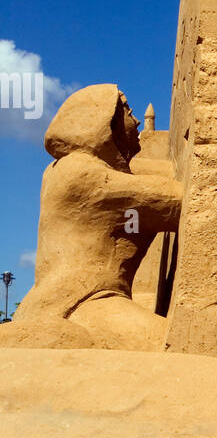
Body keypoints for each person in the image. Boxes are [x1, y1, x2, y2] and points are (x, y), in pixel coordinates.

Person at [9, 84, 182, 351]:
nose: (137, 121)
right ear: (107, 121)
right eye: (127, 112)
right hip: (82, 302)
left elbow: (143, 178)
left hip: (81, 300)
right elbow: (175, 199)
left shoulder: (65, 167)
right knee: (171, 345)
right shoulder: (80, 173)